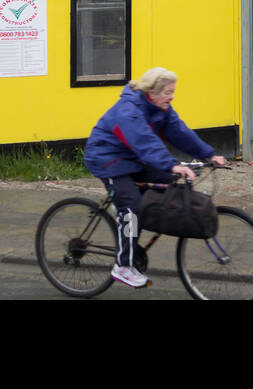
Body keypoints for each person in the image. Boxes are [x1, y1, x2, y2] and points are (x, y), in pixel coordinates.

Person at [83, 67, 227, 288]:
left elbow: (180, 132)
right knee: (131, 205)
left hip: (133, 158)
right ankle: (123, 266)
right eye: (168, 92)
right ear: (152, 92)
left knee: (167, 182)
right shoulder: (129, 110)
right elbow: (143, 141)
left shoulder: (161, 109)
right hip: (108, 159)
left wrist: (208, 154)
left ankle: (128, 213)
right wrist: (172, 165)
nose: (172, 96)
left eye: (173, 91)